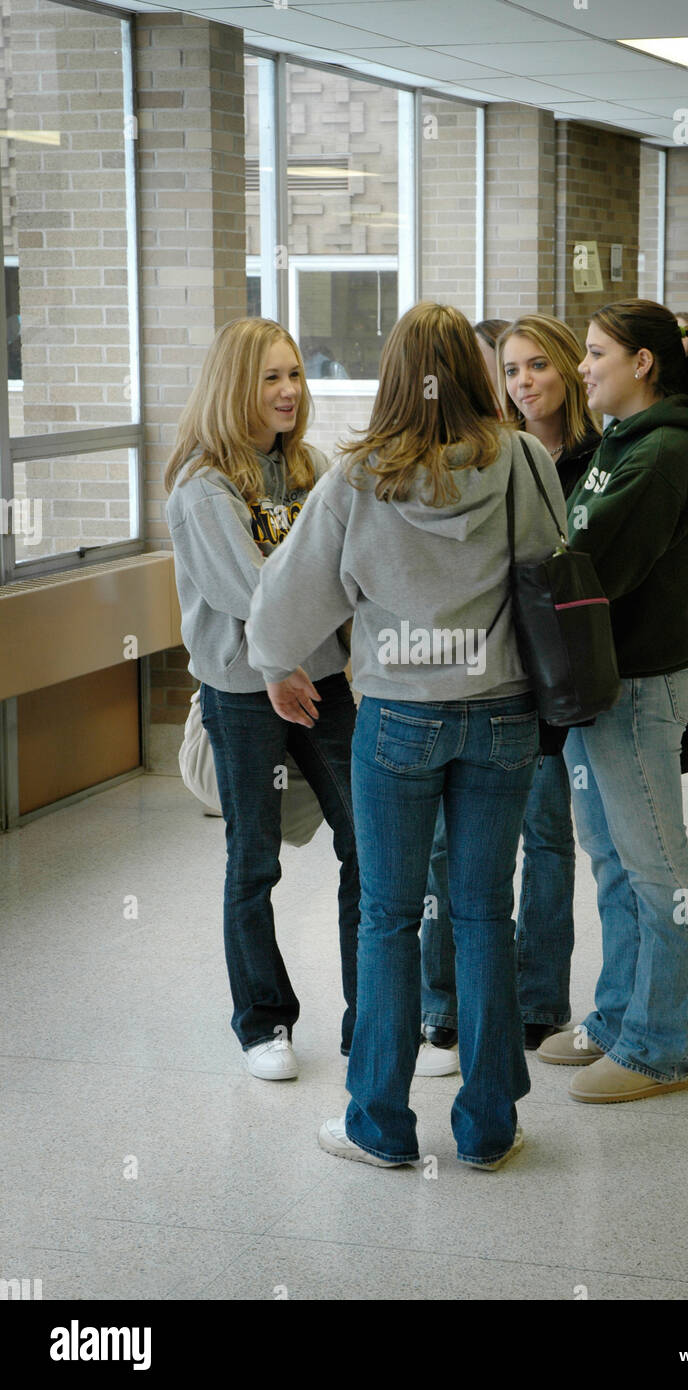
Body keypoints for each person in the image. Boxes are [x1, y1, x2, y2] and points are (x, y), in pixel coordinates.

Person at [246, 301, 567, 1168]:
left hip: (401, 719)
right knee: (484, 914)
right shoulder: (525, 461)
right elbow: (553, 568)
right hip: (502, 713)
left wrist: (278, 663)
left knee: (388, 918)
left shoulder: (357, 477)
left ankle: (379, 1127)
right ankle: (491, 1125)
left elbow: (286, 599)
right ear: (472, 370)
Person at [537, 300, 688, 1103]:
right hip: (603, 684)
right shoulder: (621, 445)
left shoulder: (663, 455)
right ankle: (616, 1016)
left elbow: (590, 565)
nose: (582, 368)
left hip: (638, 687)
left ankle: (659, 1049)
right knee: (614, 859)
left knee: (657, 871)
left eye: (596, 353)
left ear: (644, 363)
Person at [164, 317, 360, 1081]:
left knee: (366, 844)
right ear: (235, 385)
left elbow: (340, 569)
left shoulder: (310, 468)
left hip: (328, 681)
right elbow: (248, 589)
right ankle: (262, 1021)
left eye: (295, 375)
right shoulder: (202, 484)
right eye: (271, 377)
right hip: (247, 689)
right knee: (254, 861)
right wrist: (279, 659)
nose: (288, 390)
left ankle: (370, 1018)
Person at [419, 314, 601, 1072]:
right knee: (444, 848)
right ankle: (444, 1005)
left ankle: (536, 1003)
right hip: (483, 677)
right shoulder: (487, 453)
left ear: (566, 370)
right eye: (511, 370)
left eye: (537, 367)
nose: (524, 383)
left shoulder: (597, 459)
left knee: (548, 839)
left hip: (553, 680)